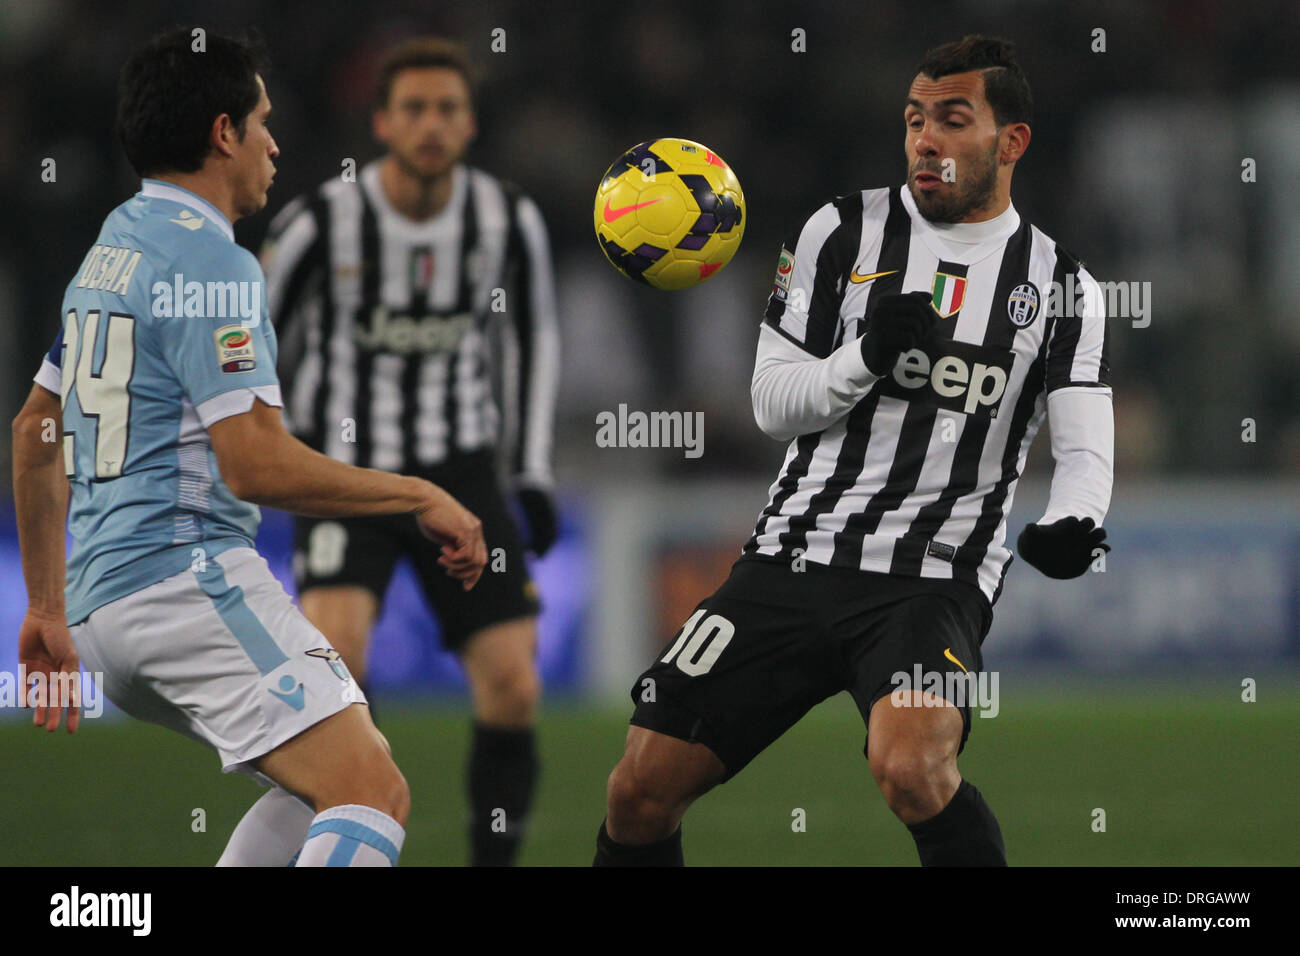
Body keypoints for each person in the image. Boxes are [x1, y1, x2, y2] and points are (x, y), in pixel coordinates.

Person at [594, 35, 1113, 866]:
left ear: (1010, 141)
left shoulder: (1061, 286)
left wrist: (1074, 519)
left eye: (952, 119)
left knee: (912, 766)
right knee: (639, 788)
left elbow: (1085, 445)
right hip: (793, 558)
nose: (925, 141)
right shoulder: (840, 231)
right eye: (914, 121)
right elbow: (771, 405)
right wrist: (862, 358)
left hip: (932, 581)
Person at [12, 27, 486, 868]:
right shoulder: (215, 263)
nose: (275, 142)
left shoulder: (112, 249)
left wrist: (47, 607)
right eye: (262, 121)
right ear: (224, 133)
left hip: (102, 608)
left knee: (314, 789)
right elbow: (255, 464)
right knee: (371, 791)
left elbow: (33, 433)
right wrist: (417, 494)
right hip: (185, 580)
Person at [260, 36, 560, 867]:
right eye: (416, 109)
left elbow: (531, 346)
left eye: (449, 109)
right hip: (347, 475)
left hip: (461, 469)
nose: (432, 125)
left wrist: (529, 473)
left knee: (515, 684)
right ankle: (361, 836)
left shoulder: (508, 217)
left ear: (470, 124)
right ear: (384, 123)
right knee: (340, 662)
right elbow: (251, 337)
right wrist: (260, 446)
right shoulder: (320, 219)